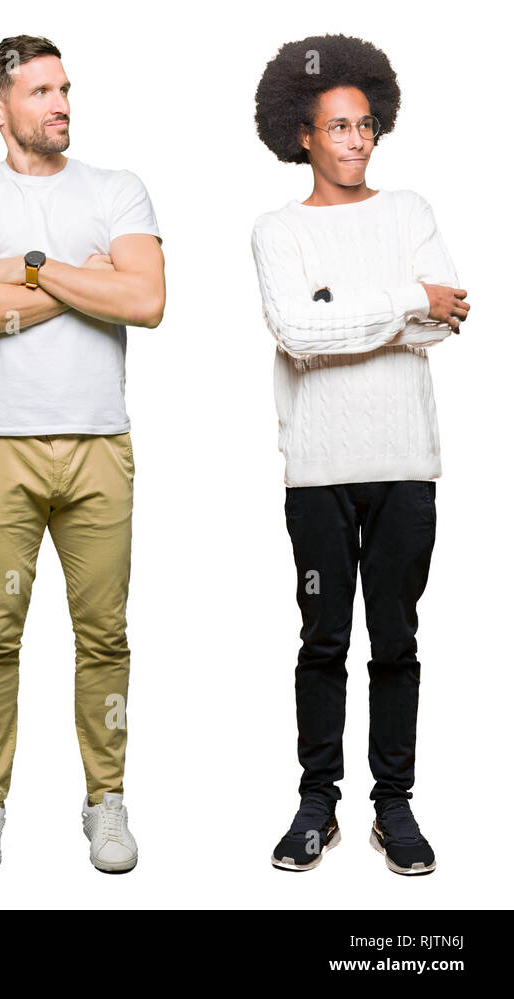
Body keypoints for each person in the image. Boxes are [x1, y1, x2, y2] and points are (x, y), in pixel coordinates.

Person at [0, 35, 165, 876]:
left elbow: (145, 299)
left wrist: (24, 271)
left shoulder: (117, 189)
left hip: (100, 445)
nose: (60, 104)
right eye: (39, 93)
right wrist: (77, 281)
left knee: (104, 634)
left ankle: (107, 798)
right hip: (0, 446)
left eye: (64, 89)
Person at [252, 33, 467, 876]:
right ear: (301, 135)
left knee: (398, 641)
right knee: (322, 641)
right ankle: (317, 802)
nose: (356, 139)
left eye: (366, 124)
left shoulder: (409, 211)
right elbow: (296, 332)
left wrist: (350, 311)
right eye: (338, 126)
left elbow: (447, 321)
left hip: (406, 463)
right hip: (317, 471)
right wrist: (405, 300)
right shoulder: (275, 229)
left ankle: (395, 805)